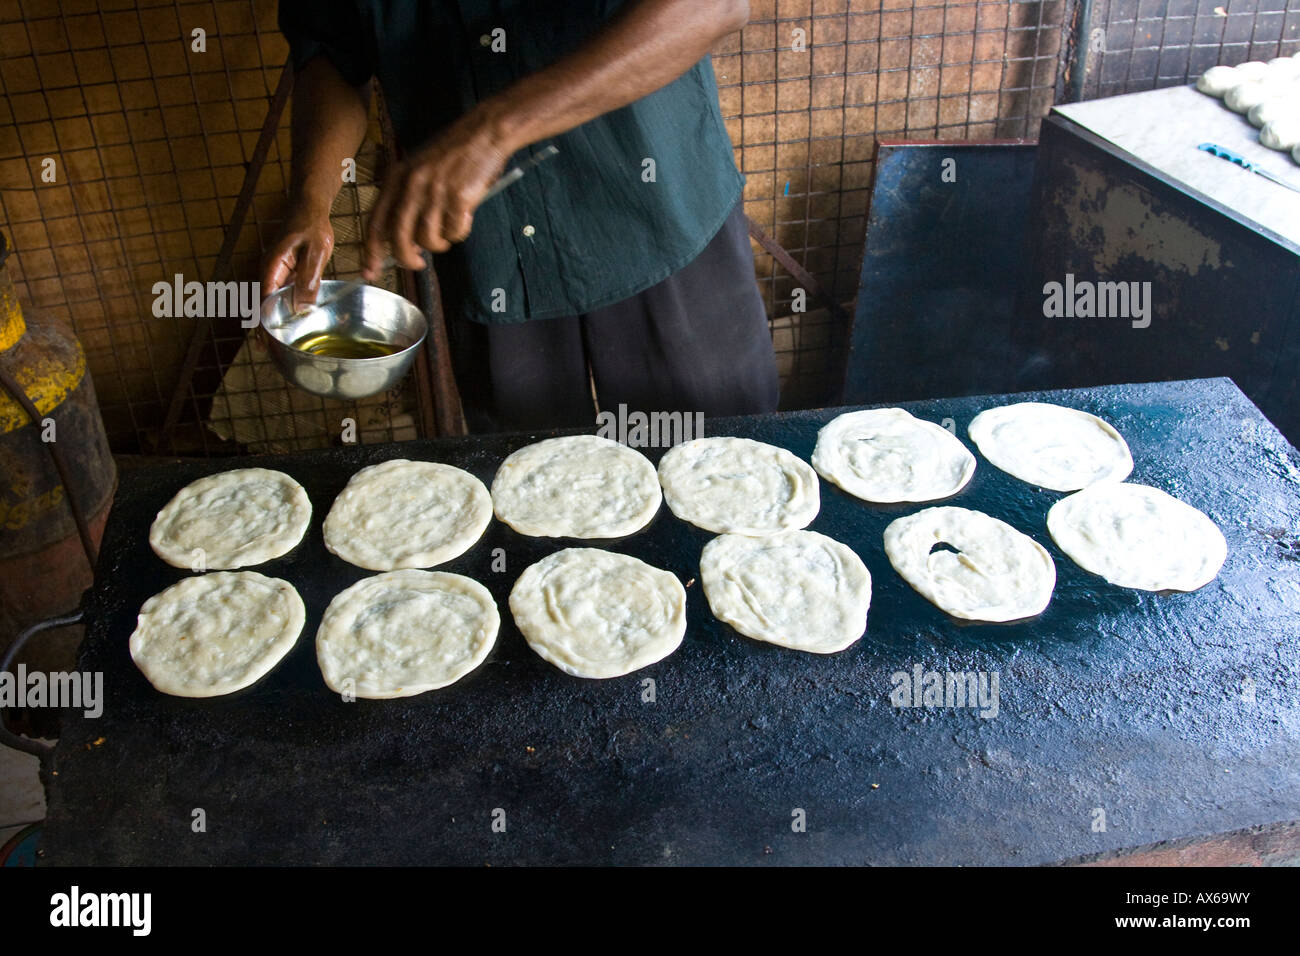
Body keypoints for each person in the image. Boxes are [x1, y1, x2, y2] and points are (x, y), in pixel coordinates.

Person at [265, 0, 779, 433]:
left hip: (658, 213)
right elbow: (331, 52)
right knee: (530, 483)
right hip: (494, 251)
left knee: (716, 459)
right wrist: (310, 201)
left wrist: (494, 131)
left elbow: (715, 5)